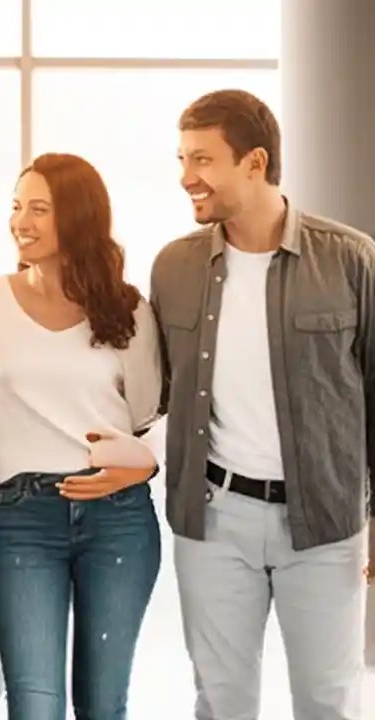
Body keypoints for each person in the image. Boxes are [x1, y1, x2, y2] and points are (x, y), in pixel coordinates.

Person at [150, 88, 375, 720]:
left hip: (325, 524)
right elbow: (159, 395)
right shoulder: (174, 267)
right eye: (181, 158)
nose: (186, 177)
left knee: (328, 702)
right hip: (216, 520)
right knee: (221, 702)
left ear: (254, 163)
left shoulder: (352, 259)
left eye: (201, 160)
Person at [0, 152, 164, 719]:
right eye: (17, 206)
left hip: (119, 518)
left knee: (103, 706)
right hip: (23, 520)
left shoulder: (128, 310)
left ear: (77, 217)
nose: (21, 220)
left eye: (39, 208)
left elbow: (147, 420)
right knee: (34, 708)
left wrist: (141, 462)